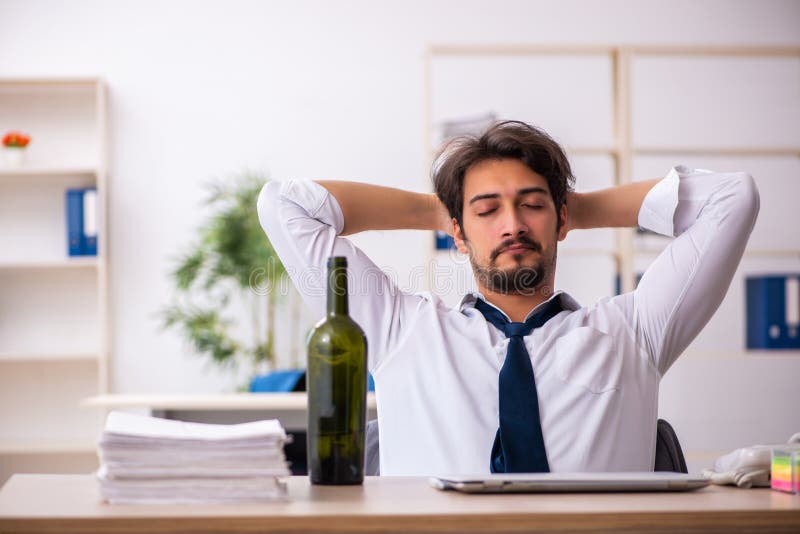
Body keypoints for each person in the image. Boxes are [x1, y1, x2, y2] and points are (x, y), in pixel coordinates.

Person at [257, 120, 759, 476]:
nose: (513, 225)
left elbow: (731, 197)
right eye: (487, 211)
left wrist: (573, 210)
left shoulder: (635, 330)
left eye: (531, 205)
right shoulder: (401, 329)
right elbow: (284, 204)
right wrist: (441, 211)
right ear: (457, 232)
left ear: (561, 218)